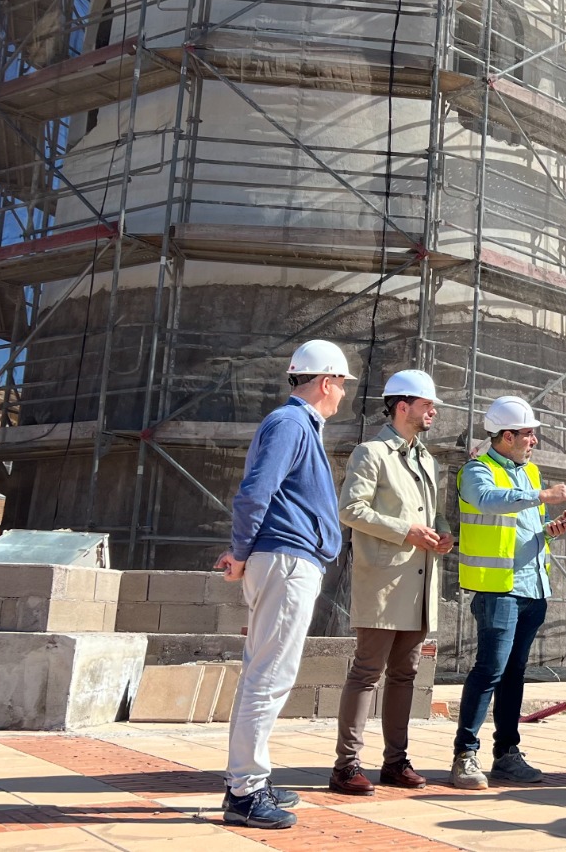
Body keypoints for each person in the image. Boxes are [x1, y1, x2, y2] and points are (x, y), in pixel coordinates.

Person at [218, 340, 355, 829]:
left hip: (285, 560)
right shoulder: (291, 424)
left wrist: (244, 552)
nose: (343, 395)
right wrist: (240, 551)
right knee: (268, 677)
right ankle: (246, 791)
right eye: (341, 384)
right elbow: (254, 493)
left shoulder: (295, 426)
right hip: (286, 561)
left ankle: (248, 779)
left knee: (264, 672)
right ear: (325, 382)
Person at [449, 396, 566, 790]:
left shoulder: (531, 473)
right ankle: (465, 754)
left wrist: (548, 530)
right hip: (498, 589)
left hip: (532, 587)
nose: (534, 442)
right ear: (506, 436)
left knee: (514, 674)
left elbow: (523, 528)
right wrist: (542, 497)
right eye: (529, 434)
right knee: (490, 669)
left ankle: (507, 754)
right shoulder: (478, 470)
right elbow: (488, 501)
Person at [330, 369, 454, 796]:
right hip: (384, 580)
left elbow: (428, 516)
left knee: (406, 674)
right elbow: (351, 510)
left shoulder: (426, 460)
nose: (433, 412)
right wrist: (407, 532)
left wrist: (440, 534)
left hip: (419, 585)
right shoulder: (371, 453)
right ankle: (346, 766)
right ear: (403, 407)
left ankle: (395, 762)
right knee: (367, 671)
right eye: (427, 405)